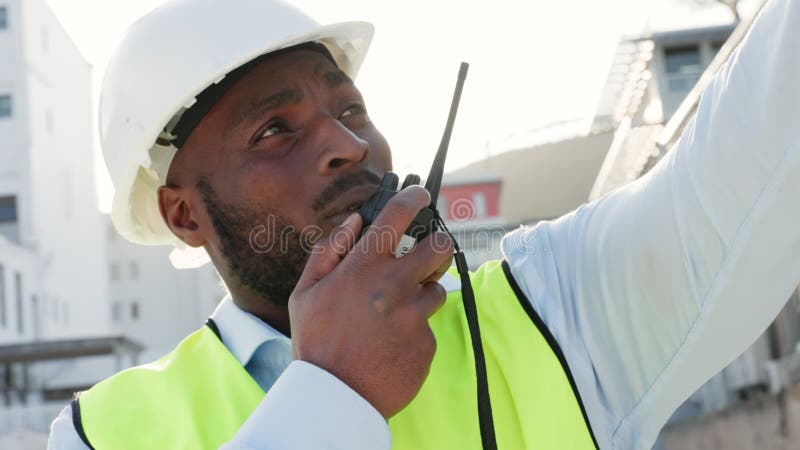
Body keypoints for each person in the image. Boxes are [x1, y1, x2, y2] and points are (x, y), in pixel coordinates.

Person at [48, 0, 800, 448]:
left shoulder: (552, 310)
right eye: (274, 130)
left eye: (350, 110)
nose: (348, 147)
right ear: (184, 216)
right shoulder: (103, 435)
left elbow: (759, 146)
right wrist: (331, 393)